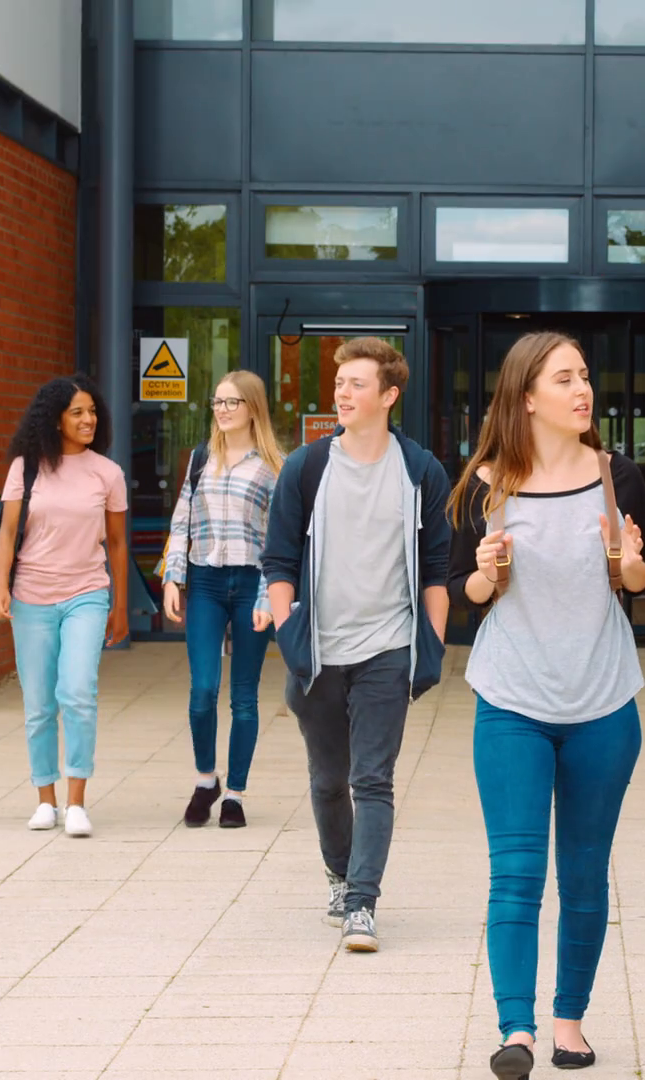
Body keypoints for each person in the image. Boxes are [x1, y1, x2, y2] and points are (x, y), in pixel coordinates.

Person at [448, 331, 645, 1080]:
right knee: (515, 871)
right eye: (564, 378)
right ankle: (517, 1030)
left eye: (585, 376)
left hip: (603, 704)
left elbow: (643, 578)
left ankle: (569, 1020)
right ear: (526, 396)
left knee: (584, 872)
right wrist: (483, 575)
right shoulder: (486, 485)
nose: (583, 390)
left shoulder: (616, 476)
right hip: (512, 701)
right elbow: (465, 597)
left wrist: (629, 565)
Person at [260, 337, 450, 951]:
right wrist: (290, 632)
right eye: (339, 384)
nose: (342, 393)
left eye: (356, 384)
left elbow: (436, 570)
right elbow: (280, 558)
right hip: (318, 648)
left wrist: (433, 646)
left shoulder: (419, 470)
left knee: (374, 779)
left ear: (388, 395)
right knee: (326, 779)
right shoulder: (306, 468)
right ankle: (340, 876)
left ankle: (362, 903)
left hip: (387, 647)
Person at [0, 374, 130, 838]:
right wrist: (1, 588)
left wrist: (121, 605)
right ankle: (44, 800)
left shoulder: (107, 473)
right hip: (31, 594)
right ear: (55, 419)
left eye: (92, 411)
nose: (89, 419)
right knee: (38, 703)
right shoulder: (25, 468)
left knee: (76, 693)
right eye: (78, 412)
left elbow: (115, 543)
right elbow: (8, 532)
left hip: (86, 594)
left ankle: (76, 802)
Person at [161, 370, 285, 829]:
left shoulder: (275, 466)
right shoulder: (199, 459)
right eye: (217, 402)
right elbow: (181, 523)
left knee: (245, 698)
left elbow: (280, 540)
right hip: (207, 582)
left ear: (253, 408)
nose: (222, 410)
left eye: (232, 402)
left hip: (252, 583)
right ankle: (204, 779)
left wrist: (269, 598)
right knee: (203, 691)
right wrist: (173, 577)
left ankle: (234, 794)